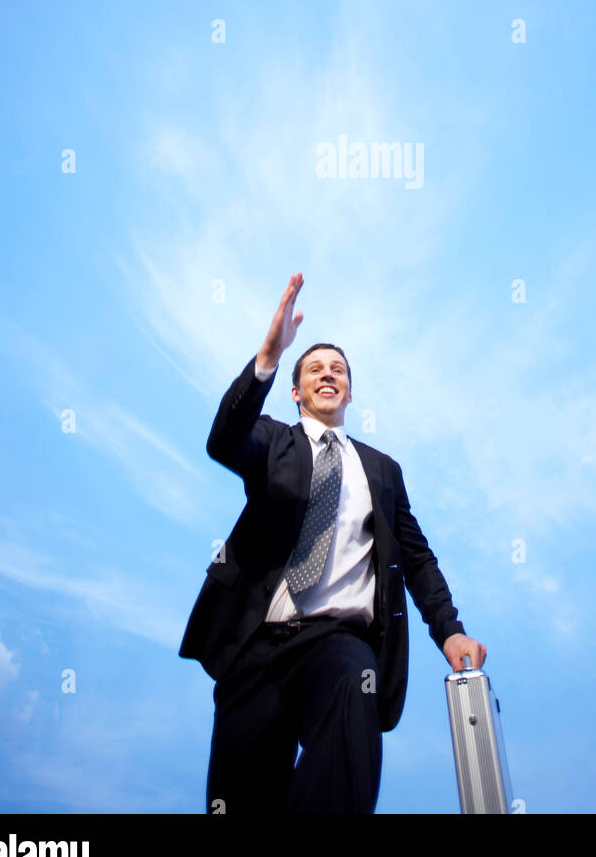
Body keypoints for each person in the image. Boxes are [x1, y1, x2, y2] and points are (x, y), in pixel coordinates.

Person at [179, 272, 487, 813]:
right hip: (257, 644)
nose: (328, 375)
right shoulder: (274, 441)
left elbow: (416, 559)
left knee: (355, 690)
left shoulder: (382, 471)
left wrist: (451, 631)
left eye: (338, 369)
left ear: (348, 389)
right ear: (296, 391)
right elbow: (223, 440)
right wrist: (268, 359)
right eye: (315, 369)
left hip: (338, 639)